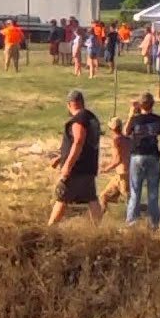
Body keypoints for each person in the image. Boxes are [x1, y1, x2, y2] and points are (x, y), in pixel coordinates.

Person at [48, 90, 103, 225]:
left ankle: (50, 229)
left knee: (62, 197)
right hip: (89, 165)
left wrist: (67, 165)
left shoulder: (79, 120)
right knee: (91, 198)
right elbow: (82, 145)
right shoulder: (91, 118)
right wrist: (61, 157)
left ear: (69, 104)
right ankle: (99, 229)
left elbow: (78, 141)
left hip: (76, 167)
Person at [125, 92, 160, 229]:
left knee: (135, 191)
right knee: (153, 193)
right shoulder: (158, 119)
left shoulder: (135, 120)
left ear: (140, 105)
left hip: (137, 156)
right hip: (153, 156)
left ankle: (131, 223)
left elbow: (126, 131)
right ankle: (153, 224)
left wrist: (131, 114)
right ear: (152, 104)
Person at [99, 116, 132, 216]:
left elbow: (118, 160)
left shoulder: (116, 140)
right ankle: (98, 221)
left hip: (123, 176)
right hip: (121, 175)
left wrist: (106, 169)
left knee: (131, 203)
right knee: (104, 196)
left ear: (112, 129)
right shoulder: (127, 139)